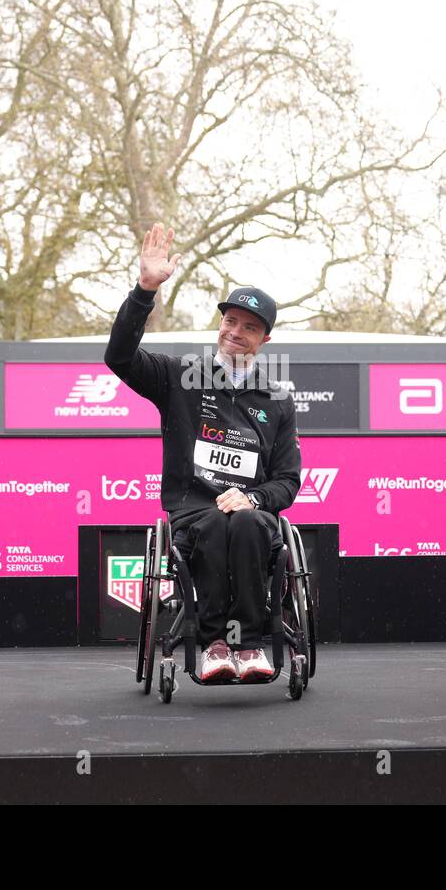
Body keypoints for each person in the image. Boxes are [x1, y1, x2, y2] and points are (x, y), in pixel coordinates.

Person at [105, 223, 302, 683]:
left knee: (248, 522)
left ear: (265, 340)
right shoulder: (179, 375)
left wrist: (254, 499)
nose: (236, 332)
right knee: (216, 520)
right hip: (192, 515)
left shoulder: (277, 399)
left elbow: (287, 480)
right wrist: (145, 290)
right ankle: (215, 645)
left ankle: (250, 645)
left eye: (249, 327)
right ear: (221, 324)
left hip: (252, 519)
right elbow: (118, 357)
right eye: (230, 321)